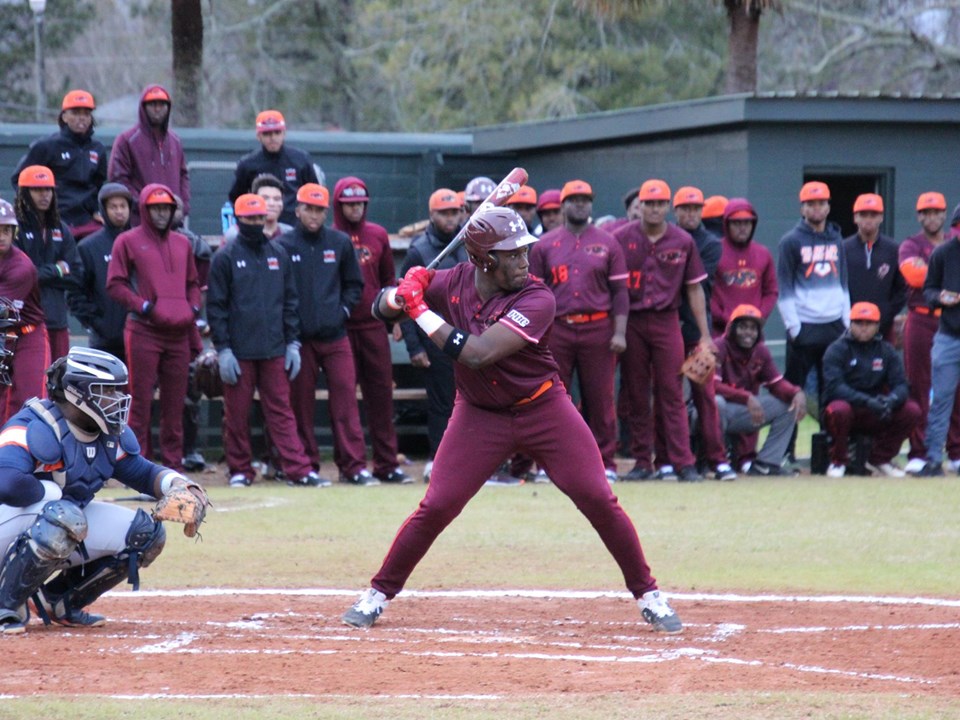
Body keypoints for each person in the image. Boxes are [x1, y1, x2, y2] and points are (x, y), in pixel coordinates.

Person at [340, 205, 683, 635]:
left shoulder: (537, 297)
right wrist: (402, 293)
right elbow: (379, 310)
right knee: (437, 505)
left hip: (544, 408)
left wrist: (419, 311)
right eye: (513, 255)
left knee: (598, 497)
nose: (525, 261)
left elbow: (478, 353)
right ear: (484, 260)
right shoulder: (454, 282)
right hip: (479, 416)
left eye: (524, 252)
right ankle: (376, 595)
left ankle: (649, 594)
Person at [0, 347, 208, 634]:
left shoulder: (108, 435)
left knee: (145, 534)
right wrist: (54, 496)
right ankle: (5, 604)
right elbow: (7, 482)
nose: (117, 399)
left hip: (50, 523)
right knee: (60, 511)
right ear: (78, 394)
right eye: (107, 392)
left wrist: (181, 486)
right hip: (9, 524)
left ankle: (59, 600)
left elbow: (144, 473)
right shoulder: (35, 425)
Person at [206, 194, 327, 488]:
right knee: (236, 415)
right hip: (239, 351)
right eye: (249, 219)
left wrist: (293, 344)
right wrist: (223, 350)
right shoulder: (225, 257)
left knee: (282, 413)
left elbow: (290, 302)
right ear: (238, 220)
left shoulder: (278, 254)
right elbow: (216, 308)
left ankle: (298, 470)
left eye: (259, 218)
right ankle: (240, 470)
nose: (255, 223)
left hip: (274, 348)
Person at [612, 179, 714, 482]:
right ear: (639, 205)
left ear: (668, 206)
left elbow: (695, 289)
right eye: (649, 203)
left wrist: (705, 334)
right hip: (632, 320)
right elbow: (611, 284)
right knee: (636, 392)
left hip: (668, 321)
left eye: (660, 203)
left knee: (672, 391)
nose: (655, 209)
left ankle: (683, 461)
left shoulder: (683, 240)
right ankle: (644, 461)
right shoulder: (620, 237)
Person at [528, 179, 626, 484]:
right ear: (563, 205)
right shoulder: (545, 244)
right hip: (557, 328)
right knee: (552, 399)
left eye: (585, 199)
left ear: (591, 204)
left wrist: (620, 332)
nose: (580, 204)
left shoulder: (608, 241)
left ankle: (605, 463)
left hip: (597, 326)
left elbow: (620, 292)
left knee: (600, 399)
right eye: (574, 199)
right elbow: (534, 293)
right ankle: (549, 464)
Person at [277, 184, 372, 485]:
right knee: (301, 405)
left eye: (320, 209)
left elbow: (354, 285)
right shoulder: (283, 244)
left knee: (345, 399)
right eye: (309, 208)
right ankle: (308, 467)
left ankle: (354, 466)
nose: (314, 215)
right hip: (300, 340)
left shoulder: (340, 242)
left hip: (335, 336)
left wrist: (341, 312)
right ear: (298, 209)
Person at [106, 184, 201, 470]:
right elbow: (115, 284)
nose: (161, 214)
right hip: (144, 331)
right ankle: (137, 467)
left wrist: (193, 308)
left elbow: (193, 283)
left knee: (175, 404)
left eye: (166, 208)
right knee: (140, 403)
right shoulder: (128, 241)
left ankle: (173, 467)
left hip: (178, 334)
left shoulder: (183, 243)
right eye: (155, 208)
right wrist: (144, 307)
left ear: (173, 211)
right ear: (145, 210)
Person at [333, 175, 411, 484]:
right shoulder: (331, 236)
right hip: (340, 329)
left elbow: (388, 280)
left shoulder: (378, 235)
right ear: (339, 206)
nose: (354, 209)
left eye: (360, 204)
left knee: (381, 396)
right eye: (348, 204)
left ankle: (387, 463)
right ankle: (350, 464)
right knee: (345, 399)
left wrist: (394, 320)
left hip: (374, 326)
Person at [662, 185, 732, 480]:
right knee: (668, 395)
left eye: (695, 208)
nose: (690, 213)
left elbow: (692, 283)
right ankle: (666, 459)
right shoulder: (666, 237)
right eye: (685, 208)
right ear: (675, 211)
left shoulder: (711, 244)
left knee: (705, 395)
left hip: (694, 333)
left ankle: (716, 459)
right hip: (665, 331)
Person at [399, 188, 469, 482]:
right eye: (444, 212)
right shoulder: (419, 250)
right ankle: (438, 461)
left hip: (467, 338)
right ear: (432, 215)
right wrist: (414, 347)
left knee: (469, 402)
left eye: (455, 212)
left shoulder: (468, 246)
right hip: (434, 336)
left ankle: (467, 461)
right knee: (443, 404)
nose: (450, 218)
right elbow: (404, 300)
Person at [777, 180, 850, 461]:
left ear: (828, 207)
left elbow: (844, 283)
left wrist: (846, 321)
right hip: (803, 326)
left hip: (834, 327)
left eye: (821, 203)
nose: (816, 208)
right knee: (793, 391)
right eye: (810, 203)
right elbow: (784, 288)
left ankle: (831, 451)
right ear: (802, 208)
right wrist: (794, 327)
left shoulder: (836, 240)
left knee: (830, 391)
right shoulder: (790, 241)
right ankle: (785, 452)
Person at [897, 191, 960, 474]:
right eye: (926, 212)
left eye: (937, 212)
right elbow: (913, 275)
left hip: (950, 320)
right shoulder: (912, 244)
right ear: (919, 215)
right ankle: (921, 452)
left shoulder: (951, 242)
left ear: (945, 216)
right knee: (920, 386)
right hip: (923, 319)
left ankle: (956, 450)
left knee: (955, 392)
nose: (931, 217)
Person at [821, 302, 920, 477]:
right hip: (848, 408)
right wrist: (867, 401)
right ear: (851, 324)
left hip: (877, 409)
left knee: (911, 411)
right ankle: (838, 461)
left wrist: (891, 400)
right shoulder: (836, 349)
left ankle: (880, 459)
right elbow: (835, 388)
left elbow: (901, 385)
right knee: (839, 410)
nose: (864, 328)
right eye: (859, 323)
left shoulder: (886, 350)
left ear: (877, 326)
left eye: (869, 324)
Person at [714, 304, 806, 476]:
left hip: (744, 411)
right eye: (742, 327)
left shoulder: (760, 351)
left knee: (788, 405)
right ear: (732, 328)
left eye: (753, 328)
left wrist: (796, 393)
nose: (748, 332)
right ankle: (717, 462)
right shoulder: (719, 346)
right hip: (716, 411)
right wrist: (745, 396)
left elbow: (776, 383)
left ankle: (766, 463)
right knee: (716, 402)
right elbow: (713, 386)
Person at [11, 89, 107, 240]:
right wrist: (36, 211)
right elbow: (18, 179)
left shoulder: (98, 149)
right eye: (75, 113)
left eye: (86, 114)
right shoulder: (46, 146)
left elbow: (99, 184)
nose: (81, 118)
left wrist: (96, 210)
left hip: (86, 220)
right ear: (64, 116)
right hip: (54, 219)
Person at [13, 165, 83, 362]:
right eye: (37, 190)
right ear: (24, 193)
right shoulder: (13, 230)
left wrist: (41, 273)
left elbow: (77, 276)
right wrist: (58, 269)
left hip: (57, 321)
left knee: (57, 382)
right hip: (24, 322)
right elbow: (21, 276)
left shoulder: (61, 229)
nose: (44, 195)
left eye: (48, 189)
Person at [914, 222, 960, 476]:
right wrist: (940, 297)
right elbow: (928, 289)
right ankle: (933, 459)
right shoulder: (943, 253)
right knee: (941, 399)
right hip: (949, 336)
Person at [67, 183, 133, 360]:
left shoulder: (140, 244)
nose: (119, 211)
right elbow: (75, 292)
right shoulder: (88, 247)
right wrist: (97, 322)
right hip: (104, 343)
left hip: (139, 339)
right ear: (103, 211)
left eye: (123, 206)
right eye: (113, 207)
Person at [108, 84, 190, 225]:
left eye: (162, 104)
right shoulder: (127, 140)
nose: (157, 109)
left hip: (173, 222)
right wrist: (146, 203)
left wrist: (182, 205)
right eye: (152, 104)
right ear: (143, 107)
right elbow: (118, 180)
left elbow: (183, 175)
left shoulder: (175, 141)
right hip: (139, 222)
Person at [227, 110, 321, 226]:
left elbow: (315, 194)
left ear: (284, 133)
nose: (273, 138)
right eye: (267, 134)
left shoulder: (301, 159)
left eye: (277, 132)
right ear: (258, 136)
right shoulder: (248, 164)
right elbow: (236, 199)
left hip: (295, 228)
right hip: (260, 229)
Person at [0, 199, 48, 424]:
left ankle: (25, 455)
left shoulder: (22, 267)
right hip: (4, 335)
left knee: (29, 401)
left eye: (7, 229)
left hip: (26, 334)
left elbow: (3, 312)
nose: (2, 236)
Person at [842, 193, 906, 343]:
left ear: (881, 217)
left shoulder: (893, 249)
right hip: (849, 325)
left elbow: (902, 289)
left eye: (873, 214)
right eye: (863, 215)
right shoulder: (843, 248)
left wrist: (886, 313)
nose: (868, 219)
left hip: (882, 325)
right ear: (855, 218)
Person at [711, 198, 778, 337]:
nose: (742, 228)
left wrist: (757, 317)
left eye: (747, 222)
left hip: (753, 334)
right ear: (727, 224)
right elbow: (704, 294)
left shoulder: (763, 254)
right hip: (720, 333)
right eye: (736, 223)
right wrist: (725, 316)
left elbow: (771, 292)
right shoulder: (714, 251)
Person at [224, 173, 293, 243]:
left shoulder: (290, 234)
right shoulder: (235, 234)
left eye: (277, 199)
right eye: (265, 198)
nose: (272, 203)